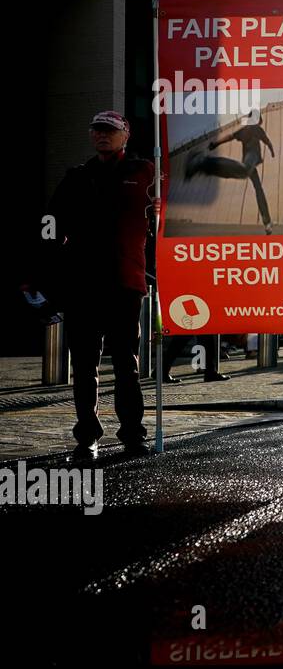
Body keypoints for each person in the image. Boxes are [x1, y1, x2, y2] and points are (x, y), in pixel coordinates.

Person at [44, 111, 156, 457]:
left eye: (109, 131)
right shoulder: (77, 178)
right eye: (97, 131)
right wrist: (38, 274)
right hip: (83, 286)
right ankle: (87, 436)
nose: (102, 136)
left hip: (125, 282)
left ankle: (133, 434)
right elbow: (50, 227)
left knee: (126, 364)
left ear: (126, 135)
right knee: (84, 366)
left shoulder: (145, 174)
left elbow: (168, 221)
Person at [184, 107, 276, 234]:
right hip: (251, 159)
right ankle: (202, 162)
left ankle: (267, 222)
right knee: (245, 172)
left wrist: (216, 144)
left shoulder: (247, 129)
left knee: (258, 187)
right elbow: (267, 141)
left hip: (251, 164)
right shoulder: (254, 128)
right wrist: (271, 151)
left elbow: (230, 136)